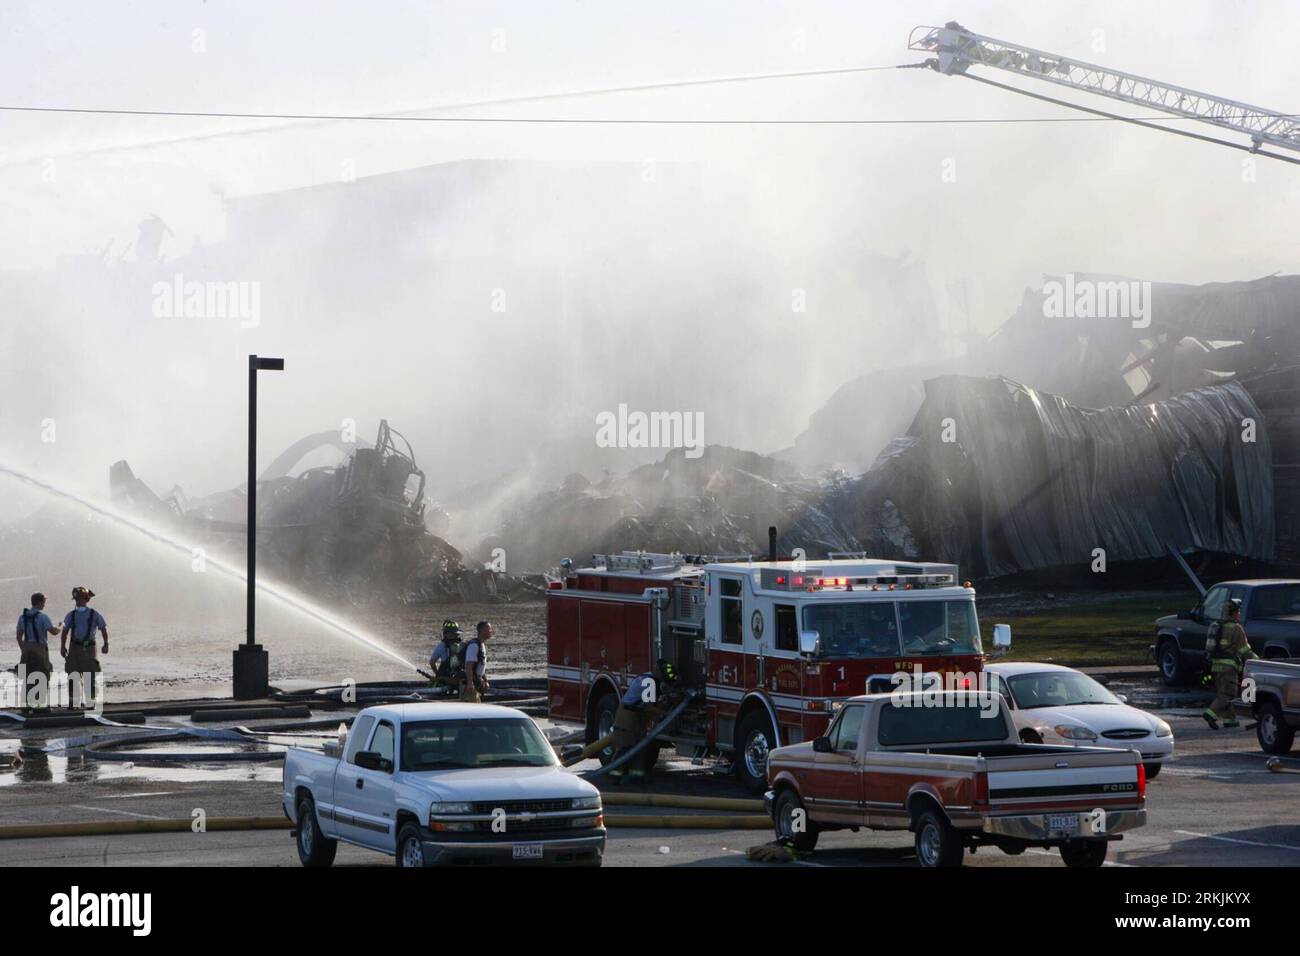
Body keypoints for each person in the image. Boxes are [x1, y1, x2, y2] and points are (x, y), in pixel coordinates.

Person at [607, 660, 678, 783]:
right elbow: (649, 707)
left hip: (637, 716)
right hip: (628, 716)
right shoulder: (649, 682)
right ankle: (614, 776)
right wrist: (666, 713)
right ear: (660, 673)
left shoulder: (649, 679)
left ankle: (636, 777)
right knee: (626, 746)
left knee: (640, 747)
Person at [1203, 598, 1256, 729]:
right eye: (1238, 611)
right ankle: (1211, 714)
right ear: (1233, 613)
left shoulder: (1217, 626)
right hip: (1229, 667)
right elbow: (1244, 649)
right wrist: (1258, 660)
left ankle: (1229, 720)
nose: (1239, 614)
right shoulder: (1236, 628)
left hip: (1216, 665)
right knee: (1228, 694)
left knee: (1223, 691)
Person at [60, 586, 108, 709]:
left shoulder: (94, 614)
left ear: (87, 600)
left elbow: (103, 628)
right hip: (74, 647)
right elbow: (64, 631)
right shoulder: (71, 615)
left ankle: (90, 703)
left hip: (89, 648)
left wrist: (106, 644)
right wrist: (62, 646)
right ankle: (73, 703)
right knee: (73, 676)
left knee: (89, 677)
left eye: (81, 599)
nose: (78, 602)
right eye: (77, 599)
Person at [15, 593, 60, 711]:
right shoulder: (43, 617)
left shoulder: (22, 617)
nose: (44, 604)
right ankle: (40, 706)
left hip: (27, 647)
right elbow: (53, 632)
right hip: (40, 648)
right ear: (40, 602)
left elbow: (19, 636)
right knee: (42, 675)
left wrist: (23, 649)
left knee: (28, 676)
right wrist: (61, 626)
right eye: (44, 602)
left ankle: (26, 705)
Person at [459, 621, 492, 703]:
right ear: (482, 630)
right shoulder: (474, 646)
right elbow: (469, 666)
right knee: (471, 709)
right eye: (489, 629)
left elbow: (481, 666)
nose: (491, 631)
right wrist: (470, 684)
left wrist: (485, 680)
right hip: (469, 684)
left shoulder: (482, 645)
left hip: (476, 682)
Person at [429, 619, 463, 693]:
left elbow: (432, 662)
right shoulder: (463, 645)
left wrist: (438, 675)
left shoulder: (441, 646)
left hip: (445, 676)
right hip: (458, 677)